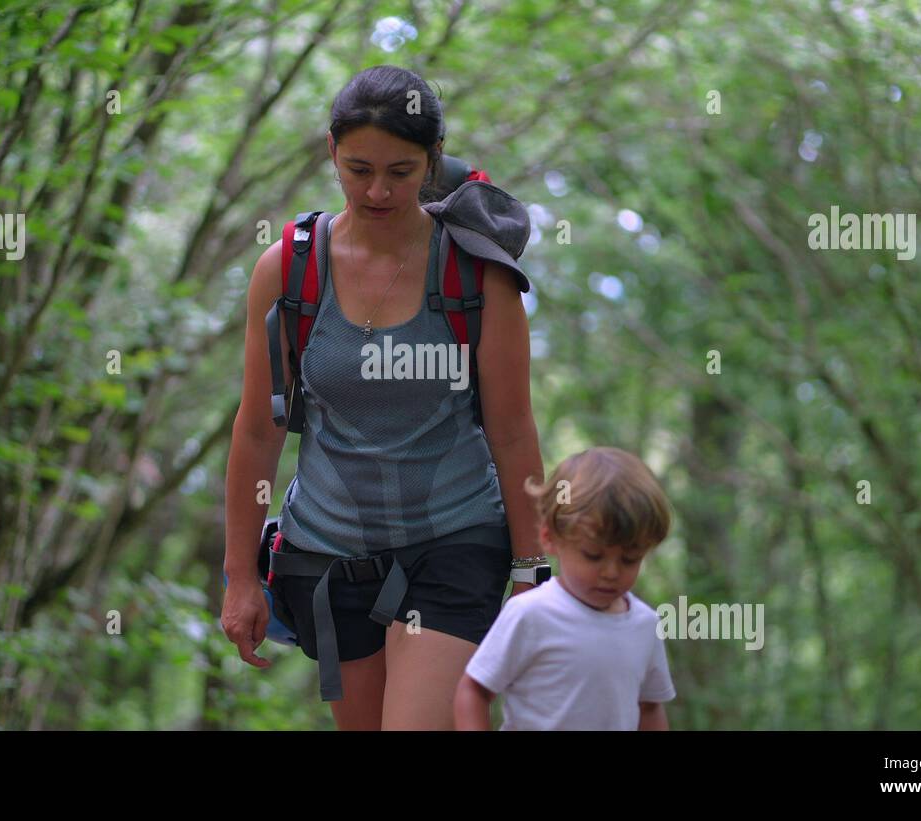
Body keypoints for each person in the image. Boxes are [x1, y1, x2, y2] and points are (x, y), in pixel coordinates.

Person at [220, 64, 547, 730]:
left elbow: (514, 431)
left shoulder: (475, 269)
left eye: (400, 172)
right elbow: (259, 428)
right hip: (327, 558)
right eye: (357, 168)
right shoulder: (288, 268)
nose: (376, 190)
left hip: (456, 544)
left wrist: (530, 576)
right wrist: (240, 577)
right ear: (331, 154)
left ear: (433, 161)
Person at [454, 447, 677, 730]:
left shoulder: (645, 625)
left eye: (629, 559)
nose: (611, 572)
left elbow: (649, 707)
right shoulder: (530, 613)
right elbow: (474, 690)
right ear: (550, 538)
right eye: (593, 556)